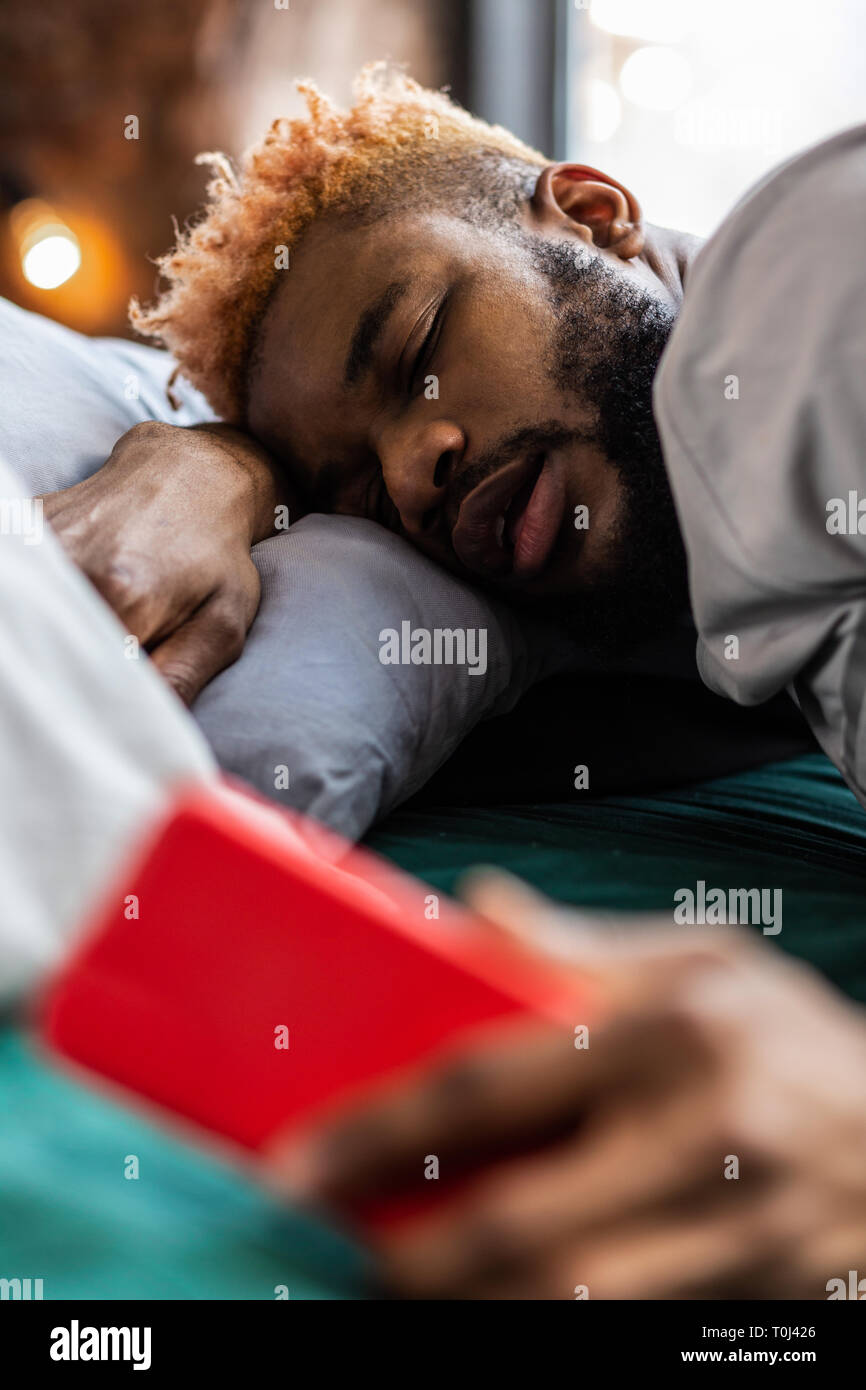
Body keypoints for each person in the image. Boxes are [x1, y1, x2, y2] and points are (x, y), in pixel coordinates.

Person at [34, 66, 866, 1297]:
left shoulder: (792, 300)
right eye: (359, 490)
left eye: (419, 344)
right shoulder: (673, 620)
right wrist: (212, 465)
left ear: (589, 214)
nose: (417, 461)